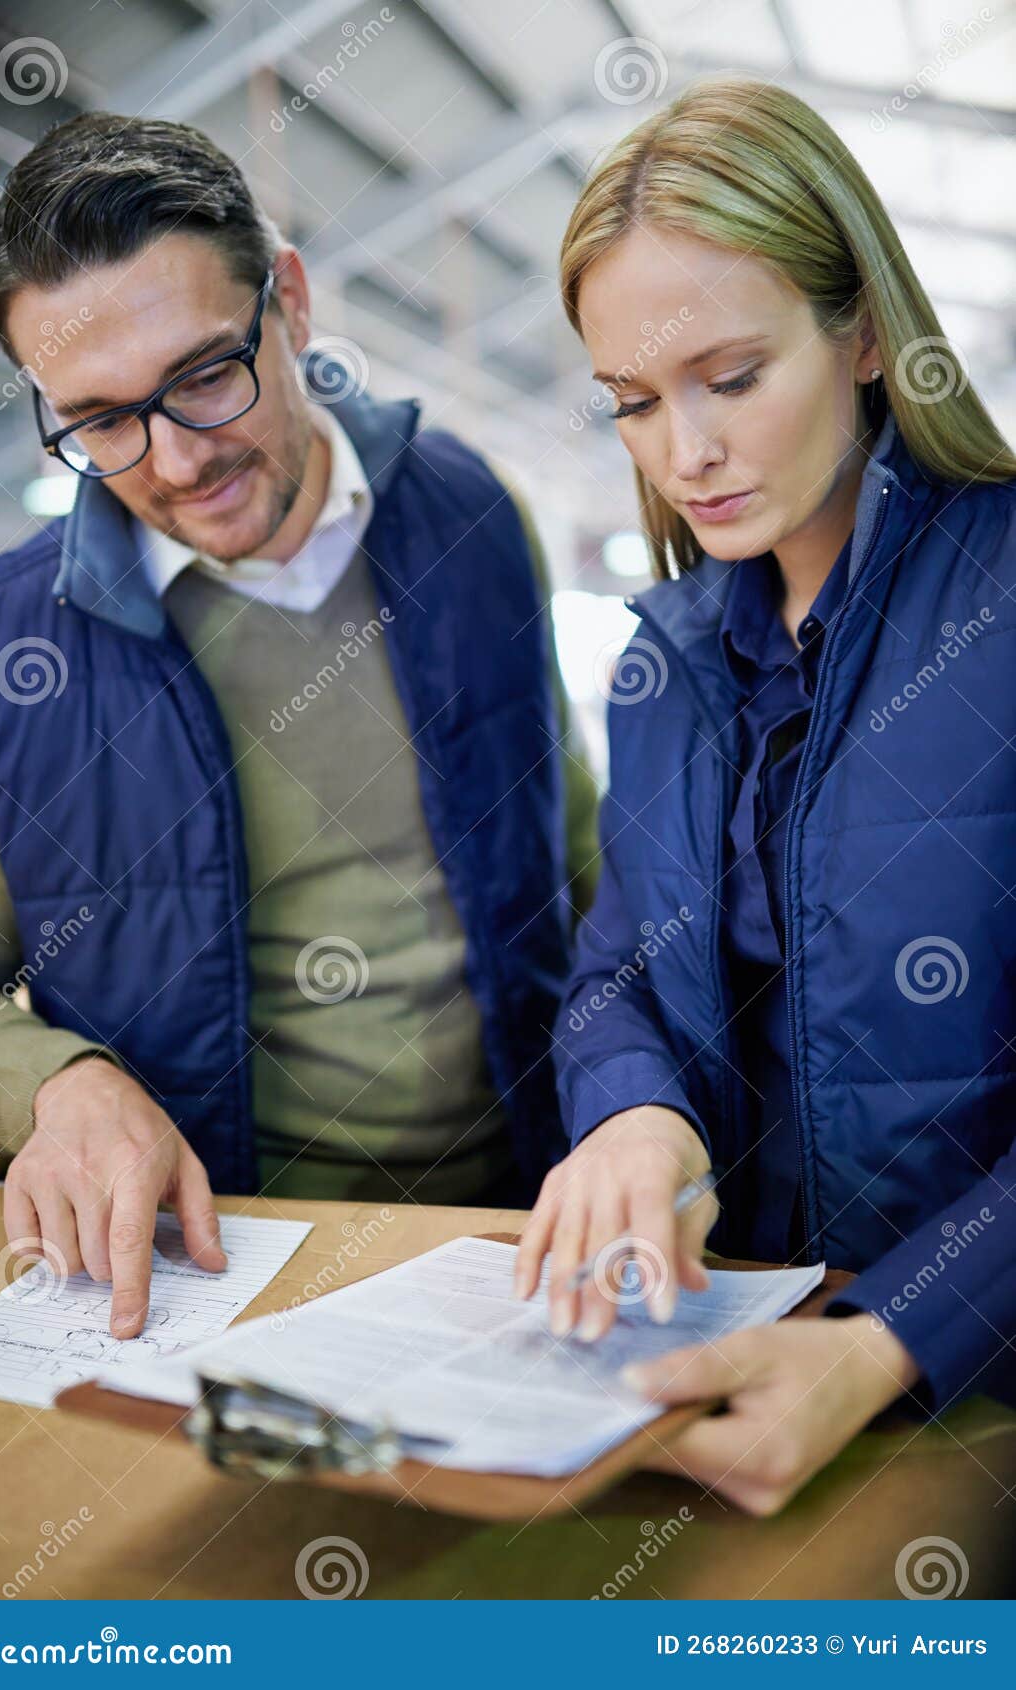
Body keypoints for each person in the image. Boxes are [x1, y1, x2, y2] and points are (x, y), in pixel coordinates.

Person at [0, 113, 597, 1339]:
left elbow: (578, 859)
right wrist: (57, 1080)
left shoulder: (470, 514)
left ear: (289, 302)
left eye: (203, 377)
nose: (177, 461)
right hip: (214, 1267)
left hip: (523, 1227)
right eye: (99, 419)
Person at [515, 76, 1016, 1516]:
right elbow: (616, 974)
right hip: (743, 1365)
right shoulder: (665, 660)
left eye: (731, 377)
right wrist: (635, 1119)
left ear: (864, 332)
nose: (686, 454)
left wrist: (885, 1343)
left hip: (963, 1396)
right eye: (632, 402)